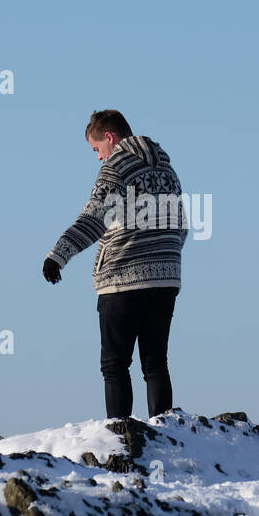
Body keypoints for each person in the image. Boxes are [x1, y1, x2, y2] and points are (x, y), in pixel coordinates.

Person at [43, 110, 187, 420]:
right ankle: (165, 434)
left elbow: (94, 217)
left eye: (96, 149)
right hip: (166, 279)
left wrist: (58, 256)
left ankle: (120, 437)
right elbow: (182, 224)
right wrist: (166, 255)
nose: (97, 158)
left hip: (124, 278)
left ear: (110, 137)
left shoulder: (116, 165)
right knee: (155, 363)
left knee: (114, 365)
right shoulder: (166, 167)